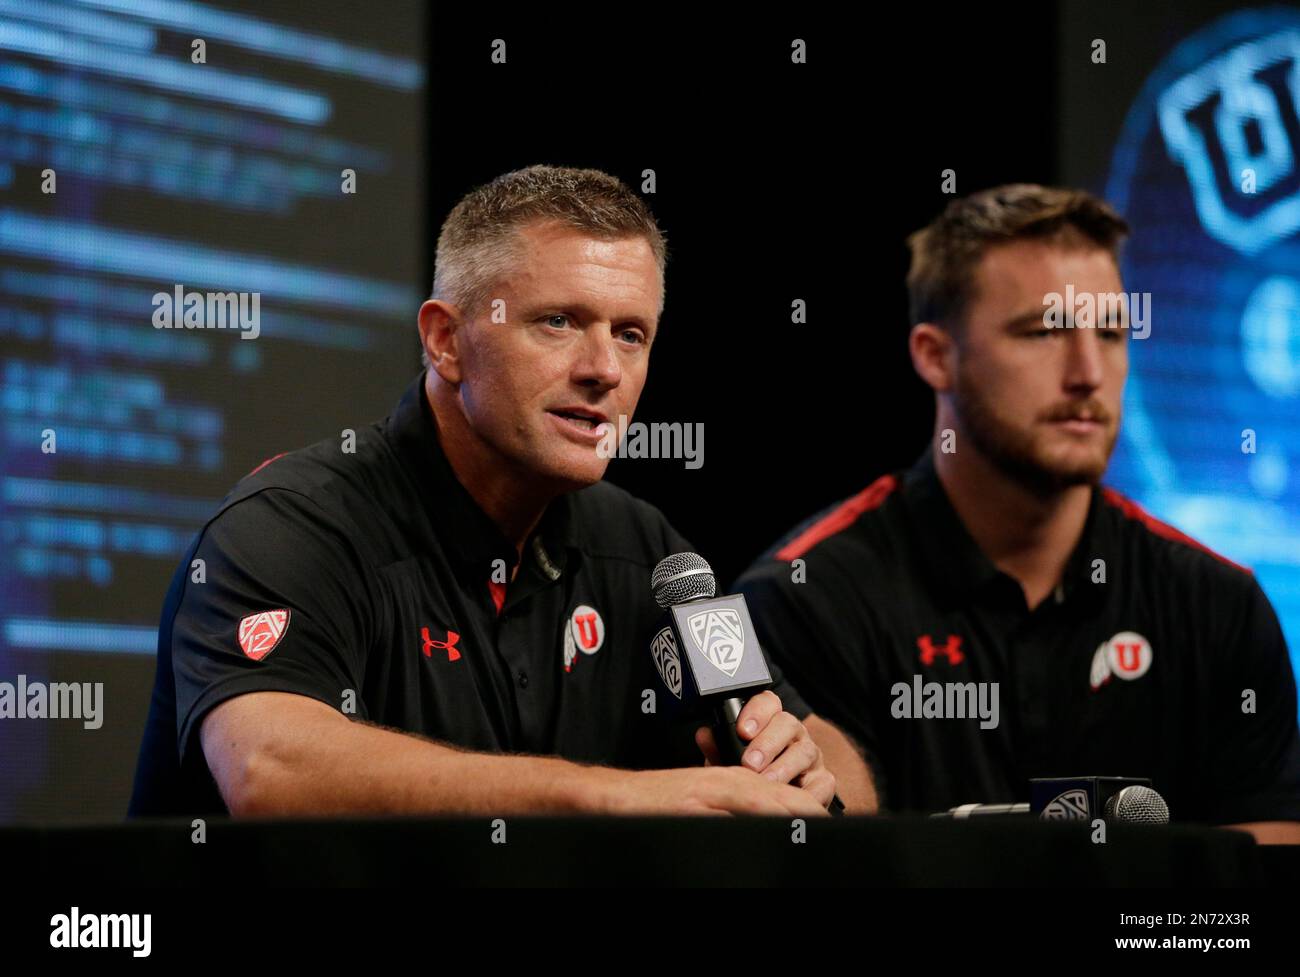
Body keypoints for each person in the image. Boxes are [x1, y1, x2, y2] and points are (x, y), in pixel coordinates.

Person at [128, 164, 875, 818]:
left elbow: (833, 766)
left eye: (630, 334)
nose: (604, 370)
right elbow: (270, 772)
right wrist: (612, 796)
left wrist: (801, 760)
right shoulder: (292, 523)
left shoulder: (648, 551)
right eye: (559, 321)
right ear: (446, 341)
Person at [735, 184, 1300, 842]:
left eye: (1112, 333)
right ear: (935, 355)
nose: (1088, 371)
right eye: (1044, 331)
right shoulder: (804, 601)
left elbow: (1267, 885)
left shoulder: (1218, 603)